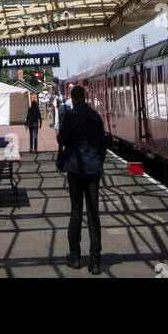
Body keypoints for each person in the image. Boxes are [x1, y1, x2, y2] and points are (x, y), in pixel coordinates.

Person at [56, 84, 108, 274]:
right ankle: (95, 262)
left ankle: (75, 257)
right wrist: (97, 162)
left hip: (75, 170)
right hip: (93, 170)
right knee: (94, 213)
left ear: (73, 98)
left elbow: (62, 139)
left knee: (76, 210)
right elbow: (103, 145)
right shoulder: (95, 117)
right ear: (85, 97)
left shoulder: (71, 116)